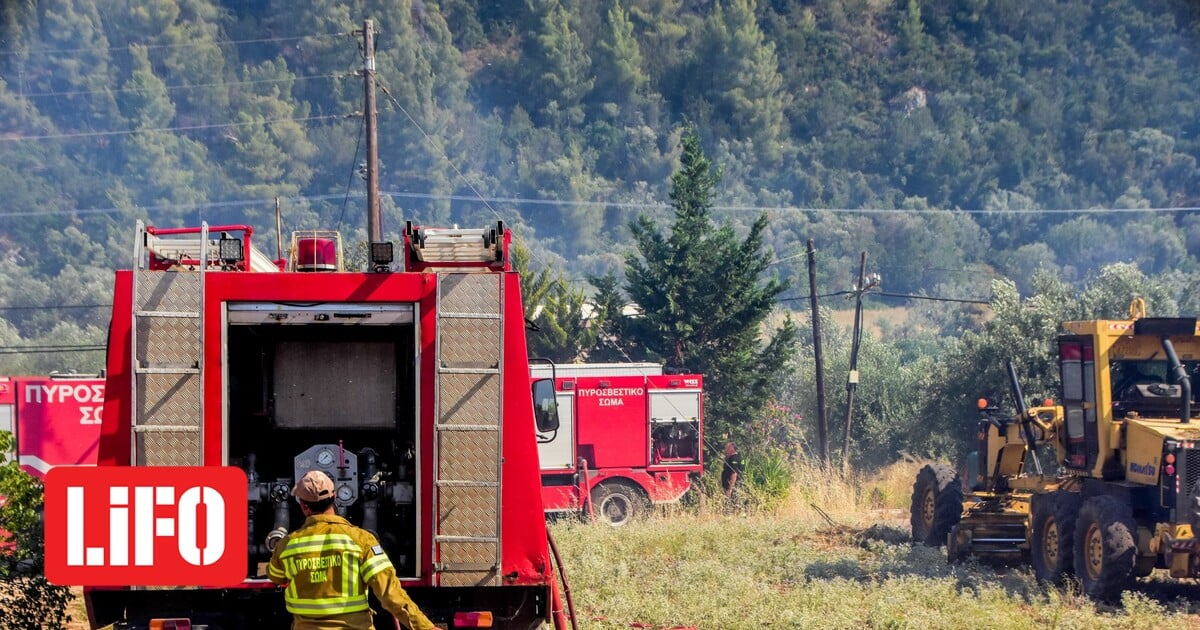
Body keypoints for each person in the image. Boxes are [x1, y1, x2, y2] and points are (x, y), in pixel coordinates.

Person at [268, 470, 437, 630]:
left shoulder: (287, 545)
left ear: (303, 506)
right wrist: (425, 627)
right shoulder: (362, 540)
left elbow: (276, 577)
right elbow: (391, 594)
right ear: (335, 497)